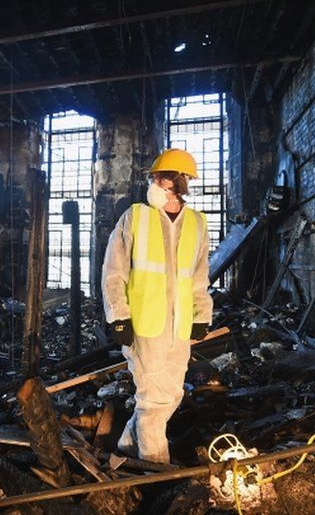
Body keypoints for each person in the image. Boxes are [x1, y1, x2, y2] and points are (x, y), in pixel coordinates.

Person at [101, 148, 213, 464]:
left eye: (162, 177)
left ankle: (126, 446)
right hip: (144, 323)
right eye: (155, 177)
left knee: (172, 394)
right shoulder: (135, 216)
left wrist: (201, 315)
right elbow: (113, 270)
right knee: (153, 400)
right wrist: (118, 316)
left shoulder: (197, 223)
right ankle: (156, 467)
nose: (155, 182)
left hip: (180, 326)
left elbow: (199, 276)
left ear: (180, 182)